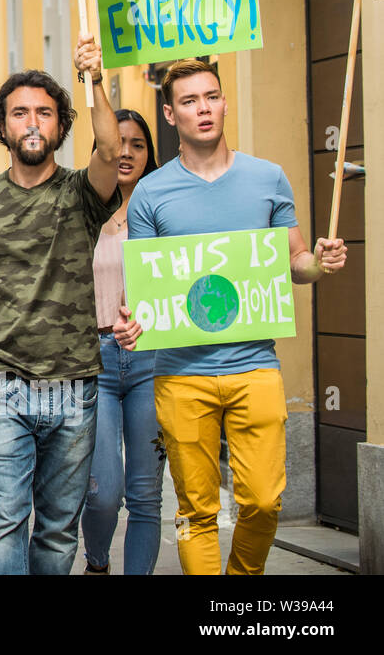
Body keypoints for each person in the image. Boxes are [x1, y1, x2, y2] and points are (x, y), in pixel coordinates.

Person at [113, 59, 347, 575]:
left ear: (224, 102)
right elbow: (146, 292)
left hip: (256, 368)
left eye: (212, 96)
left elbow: (296, 263)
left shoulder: (268, 177)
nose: (205, 109)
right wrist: (133, 324)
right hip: (180, 376)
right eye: (191, 101)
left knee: (264, 502)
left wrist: (320, 264)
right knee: (197, 511)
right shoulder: (153, 192)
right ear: (170, 114)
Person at [0, 38, 120, 575]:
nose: (33, 122)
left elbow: (111, 151)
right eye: (20, 113)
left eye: (45, 113)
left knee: (60, 529)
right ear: (3, 126)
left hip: (73, 385)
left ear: (62, 126)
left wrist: (96, 82)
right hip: (1, 385)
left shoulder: (83, 193)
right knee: (6, 520)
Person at [80, 109, 164, 575]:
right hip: (97, 360)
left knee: (147, 494)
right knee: (103, 491)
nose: (126, 152)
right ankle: (97, 562)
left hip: (154, 360)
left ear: (150, 154)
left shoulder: (165, 210)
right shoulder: (81, 209)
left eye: (138, 144)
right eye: (118, 143)